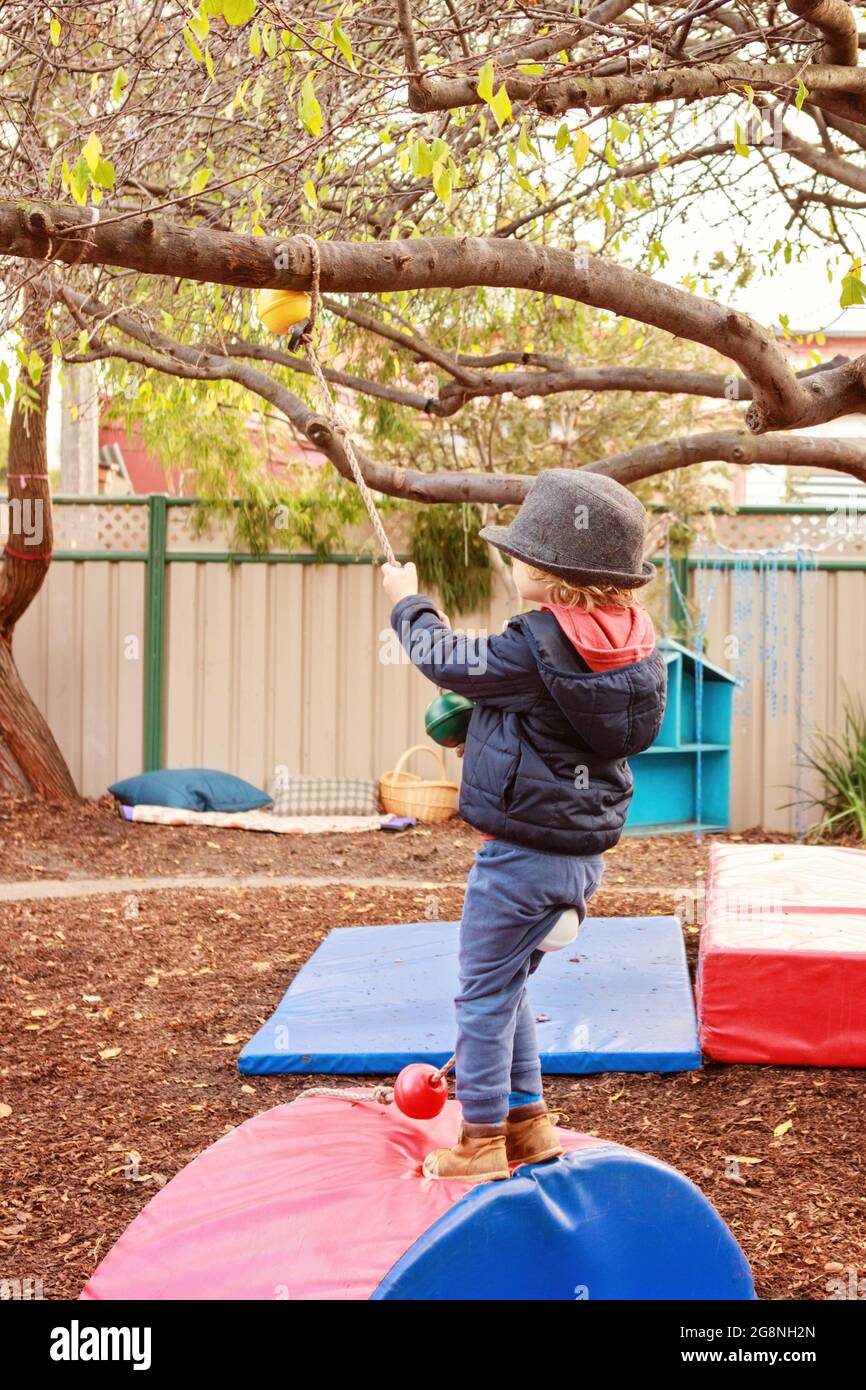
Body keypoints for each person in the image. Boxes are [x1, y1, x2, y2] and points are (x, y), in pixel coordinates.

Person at [382, 469, 667, 1182]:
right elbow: (555, 724)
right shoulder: (635, 648)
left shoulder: (533, 645)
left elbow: (442, 658)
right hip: (578, 864)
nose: (509, 563)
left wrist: (406, 603)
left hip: (517, 863)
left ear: (547, 570)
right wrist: (489, 728)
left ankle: (477, 1143)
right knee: (509, 989)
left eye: (517, 552)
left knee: (480, 993)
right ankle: (528, 1124)